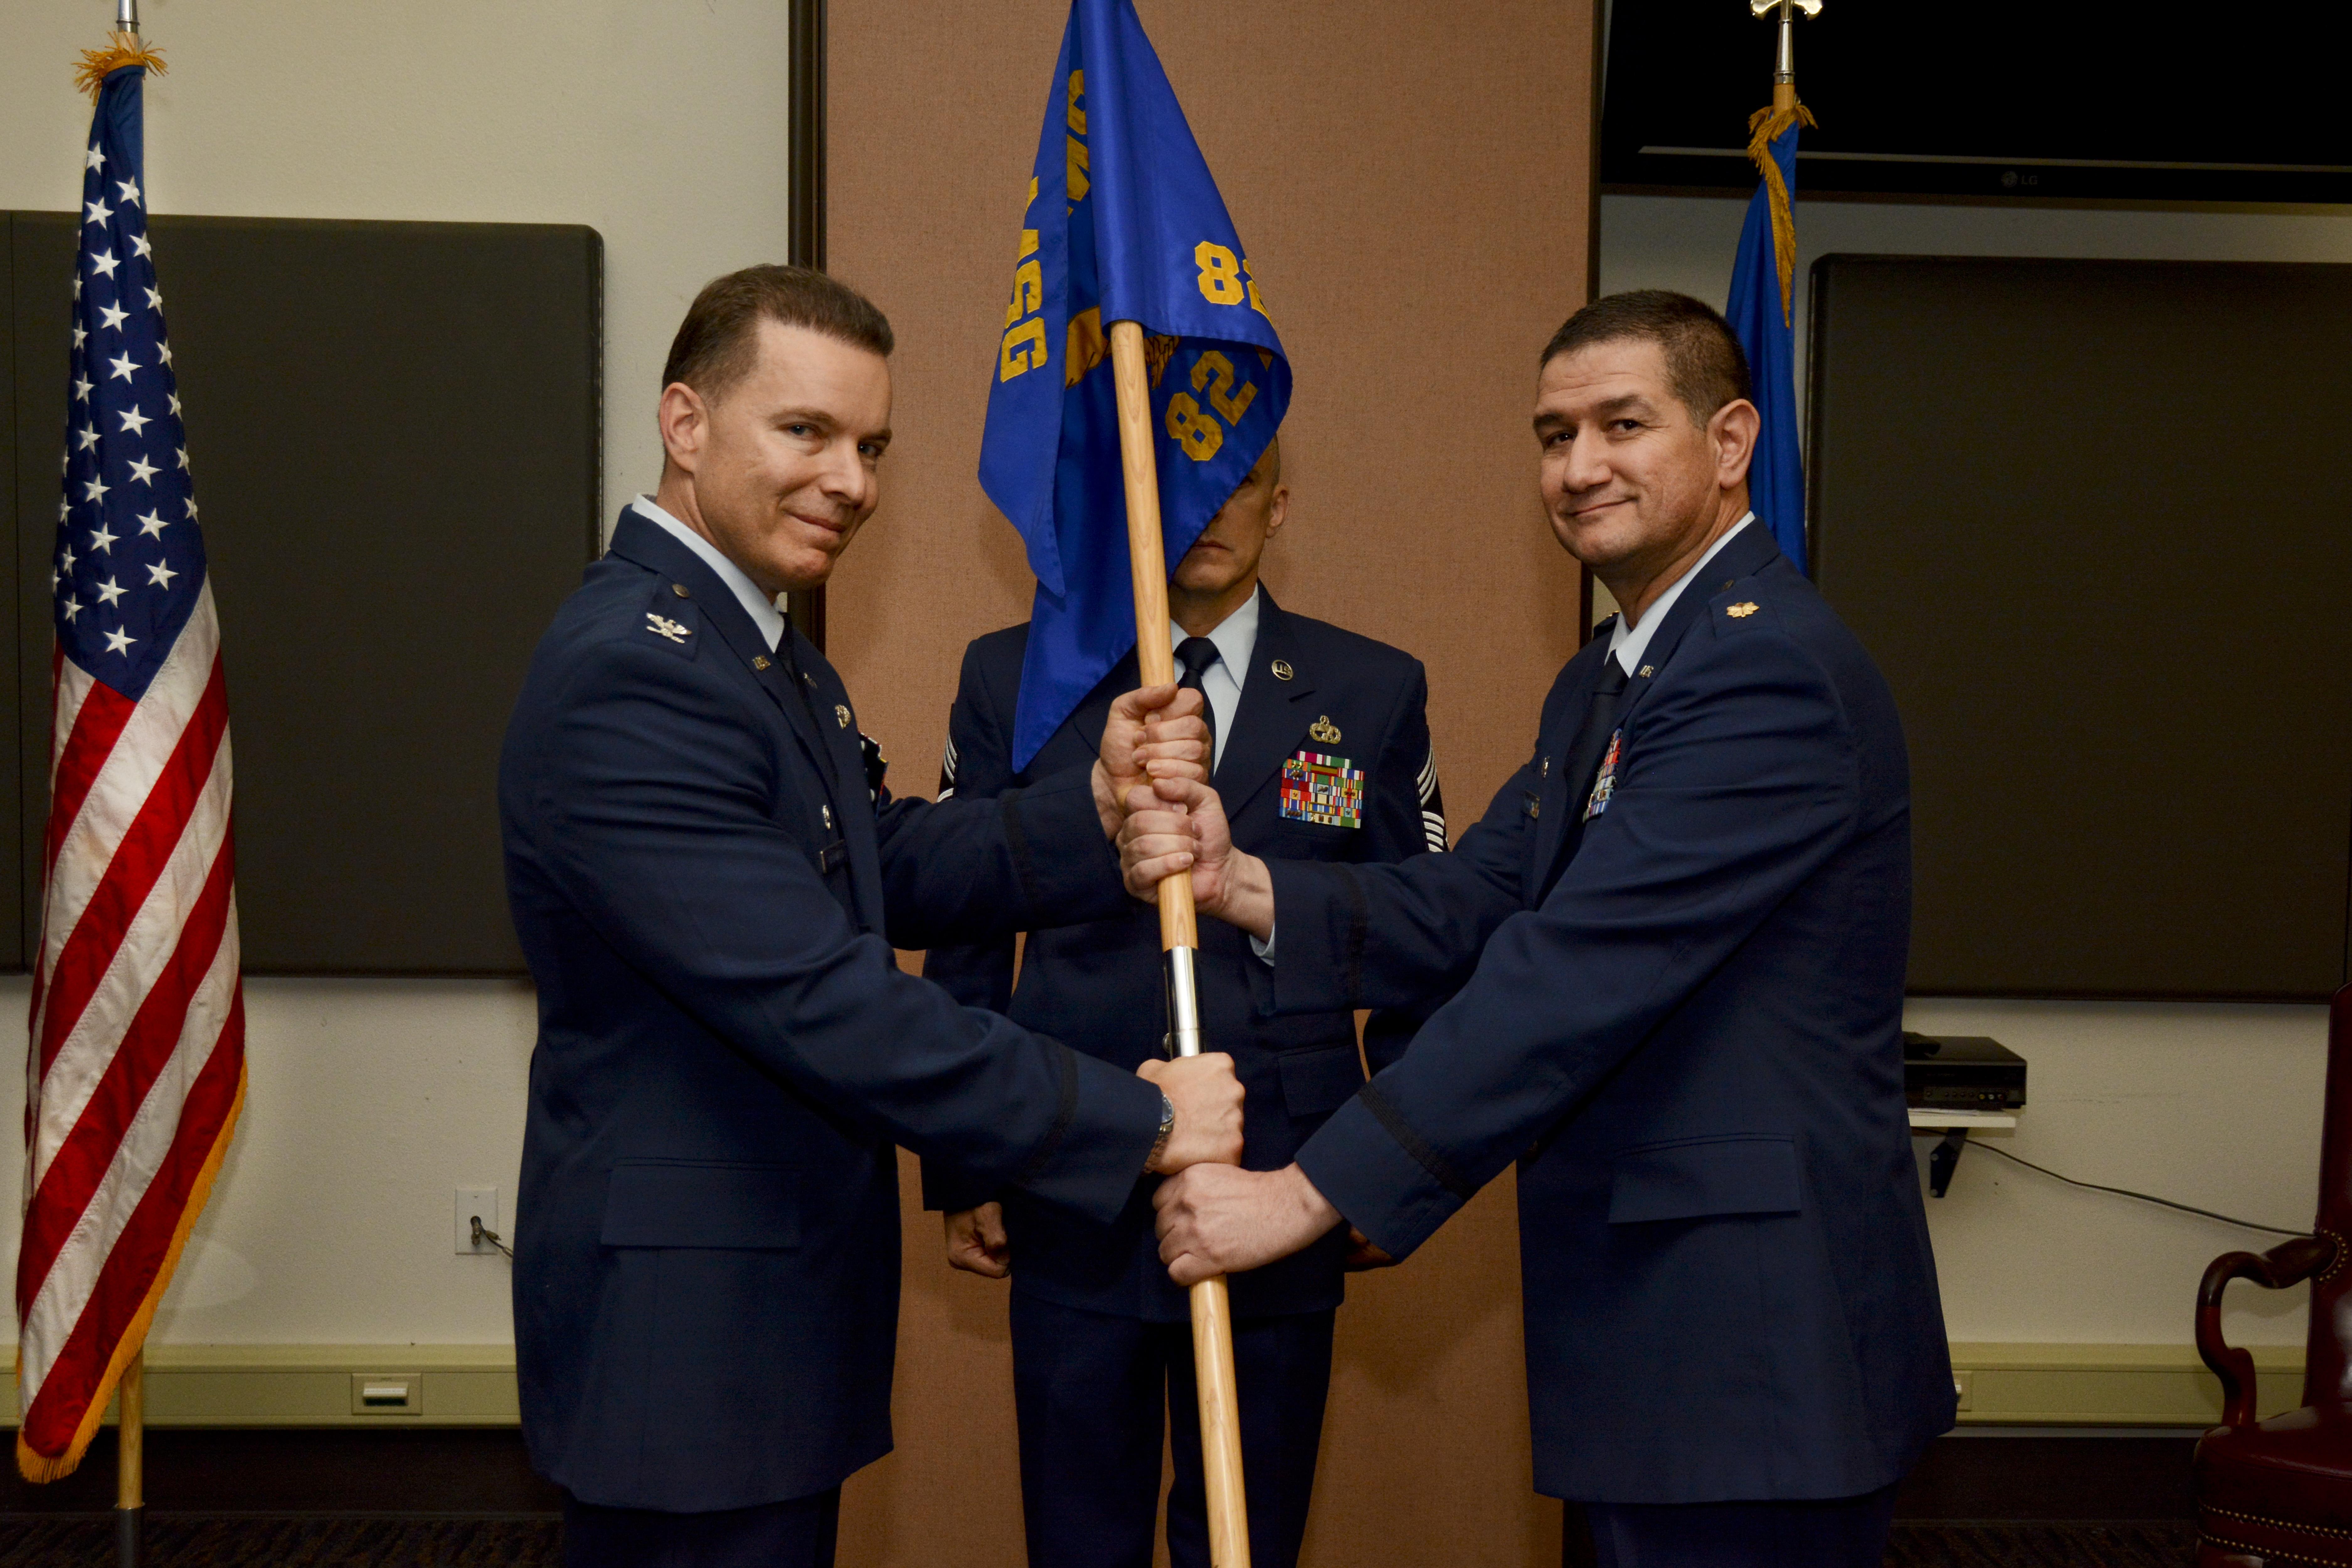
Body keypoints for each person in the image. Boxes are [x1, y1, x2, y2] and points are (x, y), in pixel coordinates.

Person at [1125, 290, 1956, 1568]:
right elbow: (1477, 896)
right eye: (1554, 433)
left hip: (1754, 1349)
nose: (1579, 468)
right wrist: (1244, 882)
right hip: (1655, 1335)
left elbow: (1569, 975)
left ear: (1732, 442)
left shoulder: (1764, 671)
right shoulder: (1610, 677)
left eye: (1624, 424)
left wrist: (1300, 1192)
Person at [498, 264, 1241, 1568]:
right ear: (685, 425)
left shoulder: (757, 649)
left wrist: (1100, 809)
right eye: (807, 432)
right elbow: (821, 996)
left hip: (763, 1315)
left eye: (872, 445)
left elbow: (874, 855)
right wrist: (1140, 1119)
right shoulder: (637, 670)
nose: (851, 480)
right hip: (692, 1342)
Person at [920, 437, 1444, 1568]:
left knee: (1246, 1534)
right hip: (1071, 1159)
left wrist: (1388, 1160)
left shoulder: (1370, 687)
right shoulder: (1013, 677)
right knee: (1077, 1529)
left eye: (1236, 485)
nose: (1206, 511)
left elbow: (1416, 931)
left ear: (1280, 504)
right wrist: (966, 1161)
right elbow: (965, 913)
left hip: (1286, 1167)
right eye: (1177, 485)